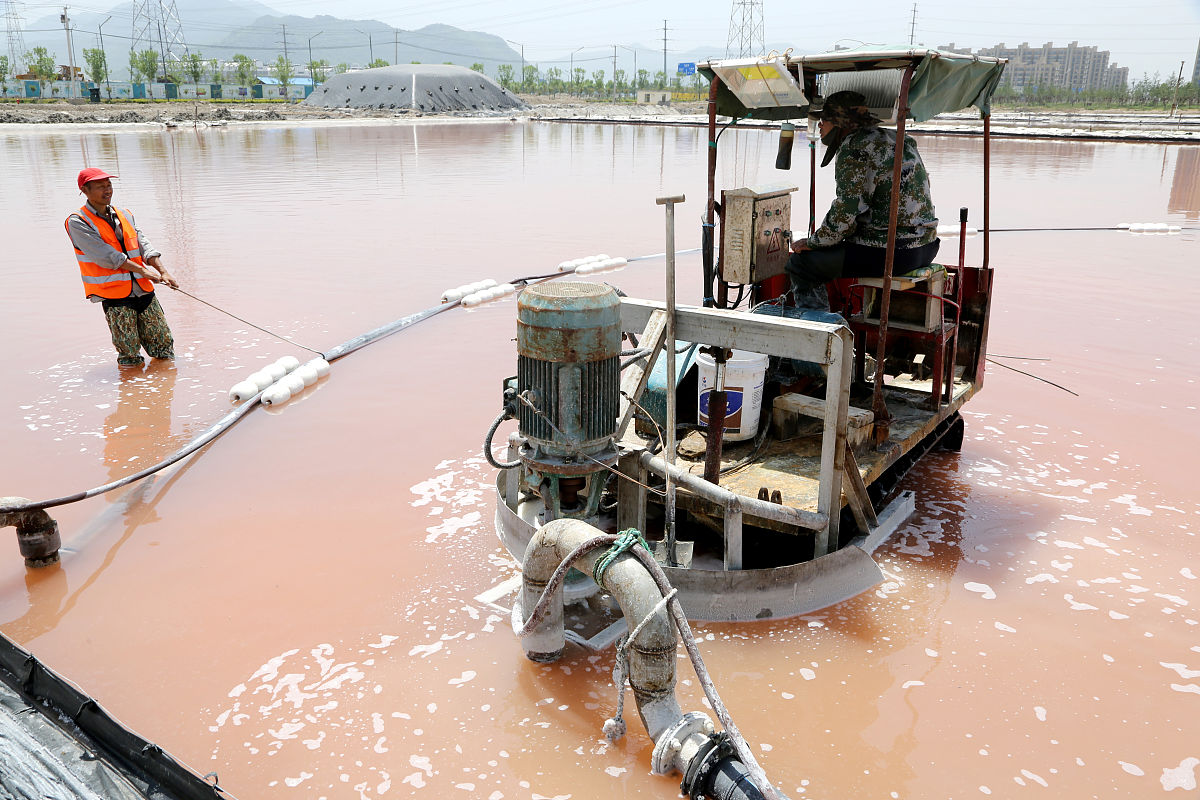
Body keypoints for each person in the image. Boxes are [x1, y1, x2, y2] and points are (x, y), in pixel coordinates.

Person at [786, 90, 939, 310]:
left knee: (800, 264)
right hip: (927, 246)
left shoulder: (854, 146)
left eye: (824, 120)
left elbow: (846, 213)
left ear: (841, 122)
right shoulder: (898, 138)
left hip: (894, 253)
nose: (820, 125)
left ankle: (819, 331)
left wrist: (813, 242)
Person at [65, 167, 179, 367]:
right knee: (129, 356)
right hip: (115, 297)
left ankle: (161, 390)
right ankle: (134, 390)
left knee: (164, 348)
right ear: (85, 190)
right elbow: (107, 257)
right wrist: (145, 271)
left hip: (143, 290)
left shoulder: (125, 214)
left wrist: (163, 271)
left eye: (109, 185)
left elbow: (144, 245)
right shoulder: (78, 222)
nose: (107, 190)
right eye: (100, 186)